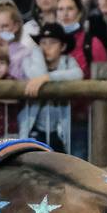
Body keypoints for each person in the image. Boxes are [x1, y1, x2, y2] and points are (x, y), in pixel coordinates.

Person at [21, 21, 84, 152]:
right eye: (43, 43)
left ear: (62, 46)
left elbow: (78, 74)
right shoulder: (29, 62)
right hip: (34, 127)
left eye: (52, 43)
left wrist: (48, 77)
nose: (46, 48)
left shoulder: (68, 61)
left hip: (60, 128)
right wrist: (37, 52)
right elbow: (38, 74)